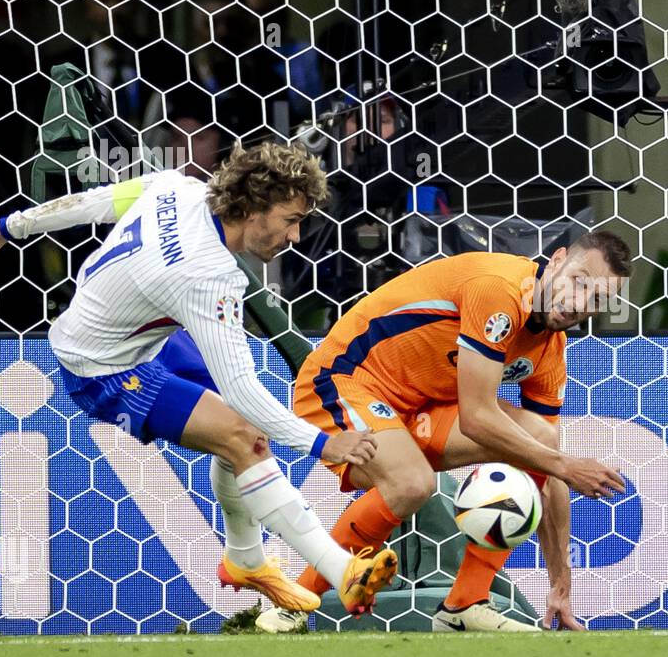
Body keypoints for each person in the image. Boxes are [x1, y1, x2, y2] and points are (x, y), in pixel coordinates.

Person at [0, 141, 397, 617]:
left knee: (245, 430)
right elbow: (242, 388)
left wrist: (5, 227)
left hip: (139, 336)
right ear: (254, 207)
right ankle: (341, 569)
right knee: (245, 435)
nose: (297, 236)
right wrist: (326, 445)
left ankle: (245, 560)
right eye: (291, 219)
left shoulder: (177, 187)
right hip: (104, 370)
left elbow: (93, 202)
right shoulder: (207, 276)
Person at [254, 232, 632, 633]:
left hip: (415, 411)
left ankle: (464, 604)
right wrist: (565, 465)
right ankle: (293, 603)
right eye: (579, 282)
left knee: (540, 441)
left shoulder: (549, 351)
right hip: (344, 382)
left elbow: (548, 468)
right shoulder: (500, 289)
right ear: (556, 260)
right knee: (413, 483)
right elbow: (476, 418)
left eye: (596, 300)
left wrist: (561, 584)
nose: (578, 304)